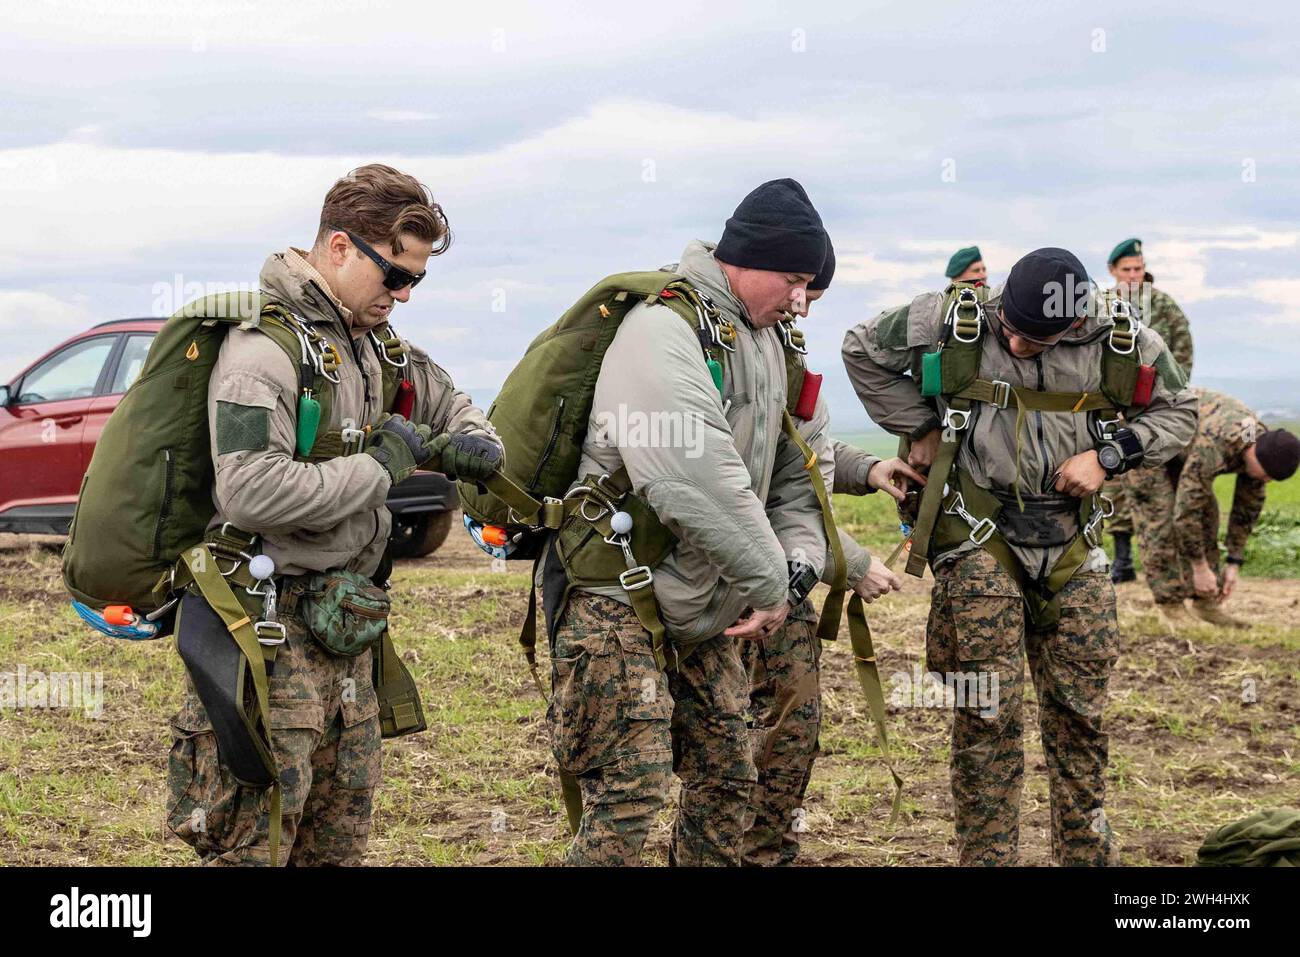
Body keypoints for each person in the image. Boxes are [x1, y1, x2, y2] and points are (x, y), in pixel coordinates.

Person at [166, 164, 502, 865]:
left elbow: (459, 409)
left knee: (337, 847)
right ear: (341, 247)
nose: (403, 294)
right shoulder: (262, 349)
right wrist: (380, 467)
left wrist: (472, 443)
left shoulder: (375, 345)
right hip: (266, 633)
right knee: (252, 848)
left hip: (346, 632)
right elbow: (250, 491)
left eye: (416, 279)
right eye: (395, 273)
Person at [842, 248, 1197, 865]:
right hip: (983, 540)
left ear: (1072, 324)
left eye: (1033, 338)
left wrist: (1110, 457)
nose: (1014, 341)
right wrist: (919, 424)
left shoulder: (1121, 336)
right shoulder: (959, 317)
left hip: (1074, 547)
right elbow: (859, 347)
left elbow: (1180, 410)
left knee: (1080, 720)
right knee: (986, 718)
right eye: (1010, 326)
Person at [543, 178, 837, 866]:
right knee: (631, 791)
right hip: (617, 597)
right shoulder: (662, 329)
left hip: (708, 604)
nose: (801, 298)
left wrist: (797, 565)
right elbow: (690, 480)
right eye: (792, 279)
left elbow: (794, 472)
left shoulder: (765, 340)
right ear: (746, 259)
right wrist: (769, 584)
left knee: (729, 780)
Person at [740, 234, 922, 865]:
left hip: (780, 579)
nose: (801, 310)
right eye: (798, 293)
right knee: (746, 742)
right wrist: (850, 561)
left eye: (813, 297)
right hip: (737, 585)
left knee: (788, 731)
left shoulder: (776, 343)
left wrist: (869, 470)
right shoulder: (723, 349)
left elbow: (797, 457)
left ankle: (768, 852)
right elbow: (746, 492)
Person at [1129, 387, 1299, 629]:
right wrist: (1199, 567)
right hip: (1149, 439)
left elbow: (1245, 512)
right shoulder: (1218, 442)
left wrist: (1234, 562)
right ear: (1255, 455)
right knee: (1160, 518)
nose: (1267, 481)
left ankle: (1204, 602)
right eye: (1266, 475)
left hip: (1184, 450)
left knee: (1208, 514)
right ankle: (1170, 604)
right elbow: (1186, 512)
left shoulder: (1258, 449)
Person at [1105, 237, 1195, 583]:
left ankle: (1168, 564)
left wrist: (1166, 403)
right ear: (1113, 271)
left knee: (1158, 486)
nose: (1133, 275)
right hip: (1112, 409)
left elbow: (1182, 355)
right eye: (1126, 269)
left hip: (1153, 411)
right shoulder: (1102, 306)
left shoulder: (1164, 307)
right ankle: (1122, 560)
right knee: (1113, 483)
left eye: (1138, 269)